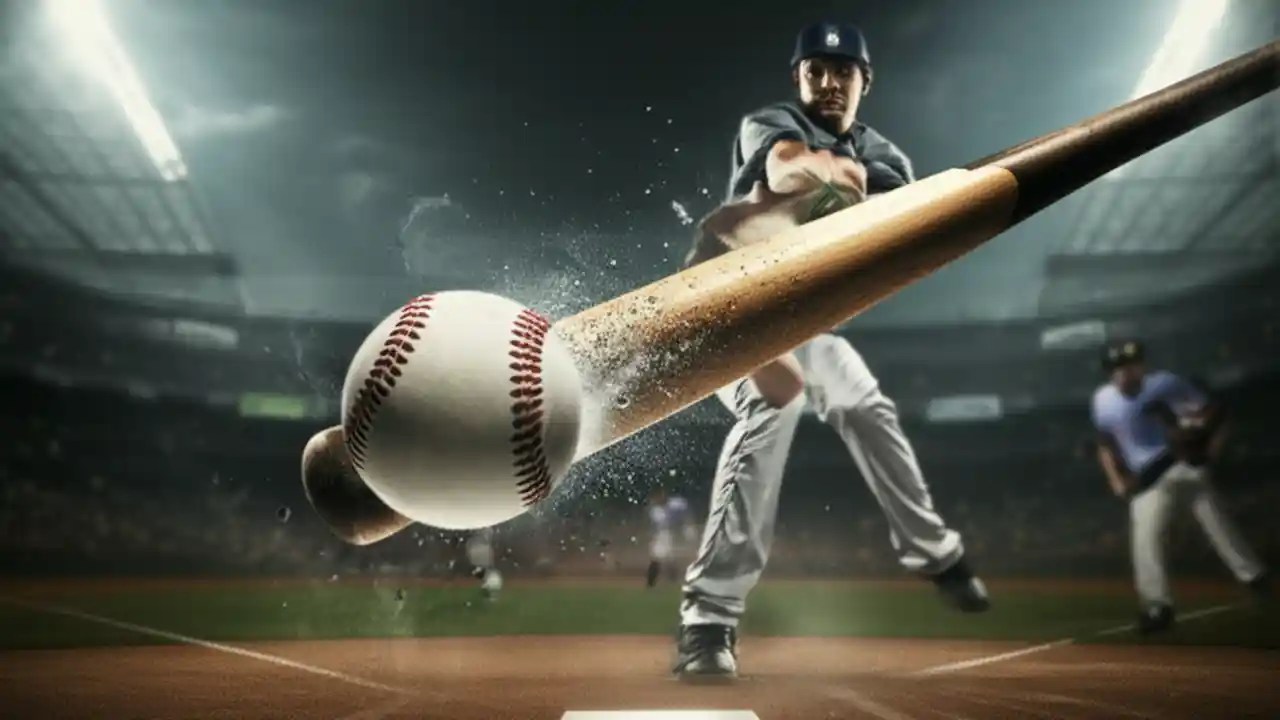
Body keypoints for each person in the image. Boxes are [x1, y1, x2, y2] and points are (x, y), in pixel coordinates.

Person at [673, 20, 989, 682]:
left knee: (863, 400)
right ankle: (708, 619)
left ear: (864, 81)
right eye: (815, 69)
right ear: (798, 78)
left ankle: (939, 555)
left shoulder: (889, 158)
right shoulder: (769, 121)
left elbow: (898, 225)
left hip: (797, 317)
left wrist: (845, 176)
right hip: (723, 301)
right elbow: (791, 169)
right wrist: (836, 175)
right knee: (777, 400)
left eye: (842, 71)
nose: (828, 81)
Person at [1091, 339, 1268, 634]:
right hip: (1149, 477)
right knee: (1147, 537)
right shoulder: (1102, 400)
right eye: (1117, 367)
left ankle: (1254, 577)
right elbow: (1105, 444)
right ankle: (1159, 606)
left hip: (1183, 464)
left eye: (1130, 364)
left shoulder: (1165, 384)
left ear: (1141, 365)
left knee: (1216, 523)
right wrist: (1115, 479)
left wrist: (1209, 446)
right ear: (1109, 372)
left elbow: (1213, 412)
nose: (1124, 371)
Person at [646, 488, 697, 587]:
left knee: (669, 558)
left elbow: (686, 515)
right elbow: (654, 526)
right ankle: (651, 582)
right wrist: (652, 537)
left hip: (673, 533)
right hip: (661, 534)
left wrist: (688, 527)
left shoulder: (676, 504)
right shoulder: (655, 510)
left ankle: (672, 579)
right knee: (658, 558)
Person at [465, 527, 503, 601]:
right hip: (481, 551)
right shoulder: (485, 530)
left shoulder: (484, 530)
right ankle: (489, 592)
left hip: (481, 551)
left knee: (486, 574)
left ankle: (489, 592)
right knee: (486, 574)